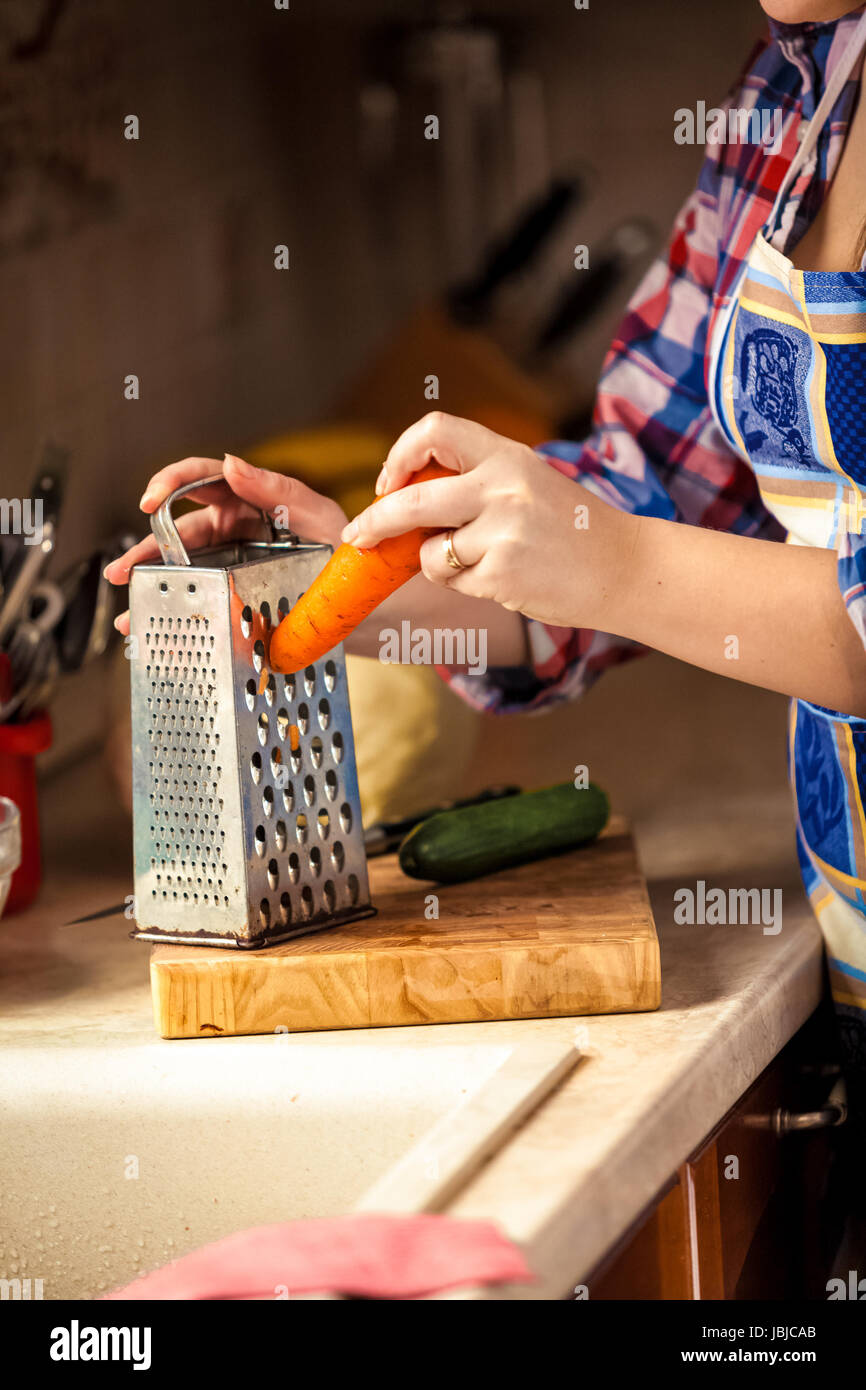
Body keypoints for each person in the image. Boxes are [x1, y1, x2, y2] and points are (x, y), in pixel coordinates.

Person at [109, 2, 866, 1138]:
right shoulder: (791, 85)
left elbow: (623, 554)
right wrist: (352, 573)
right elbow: (653, 480)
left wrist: (603, 558)